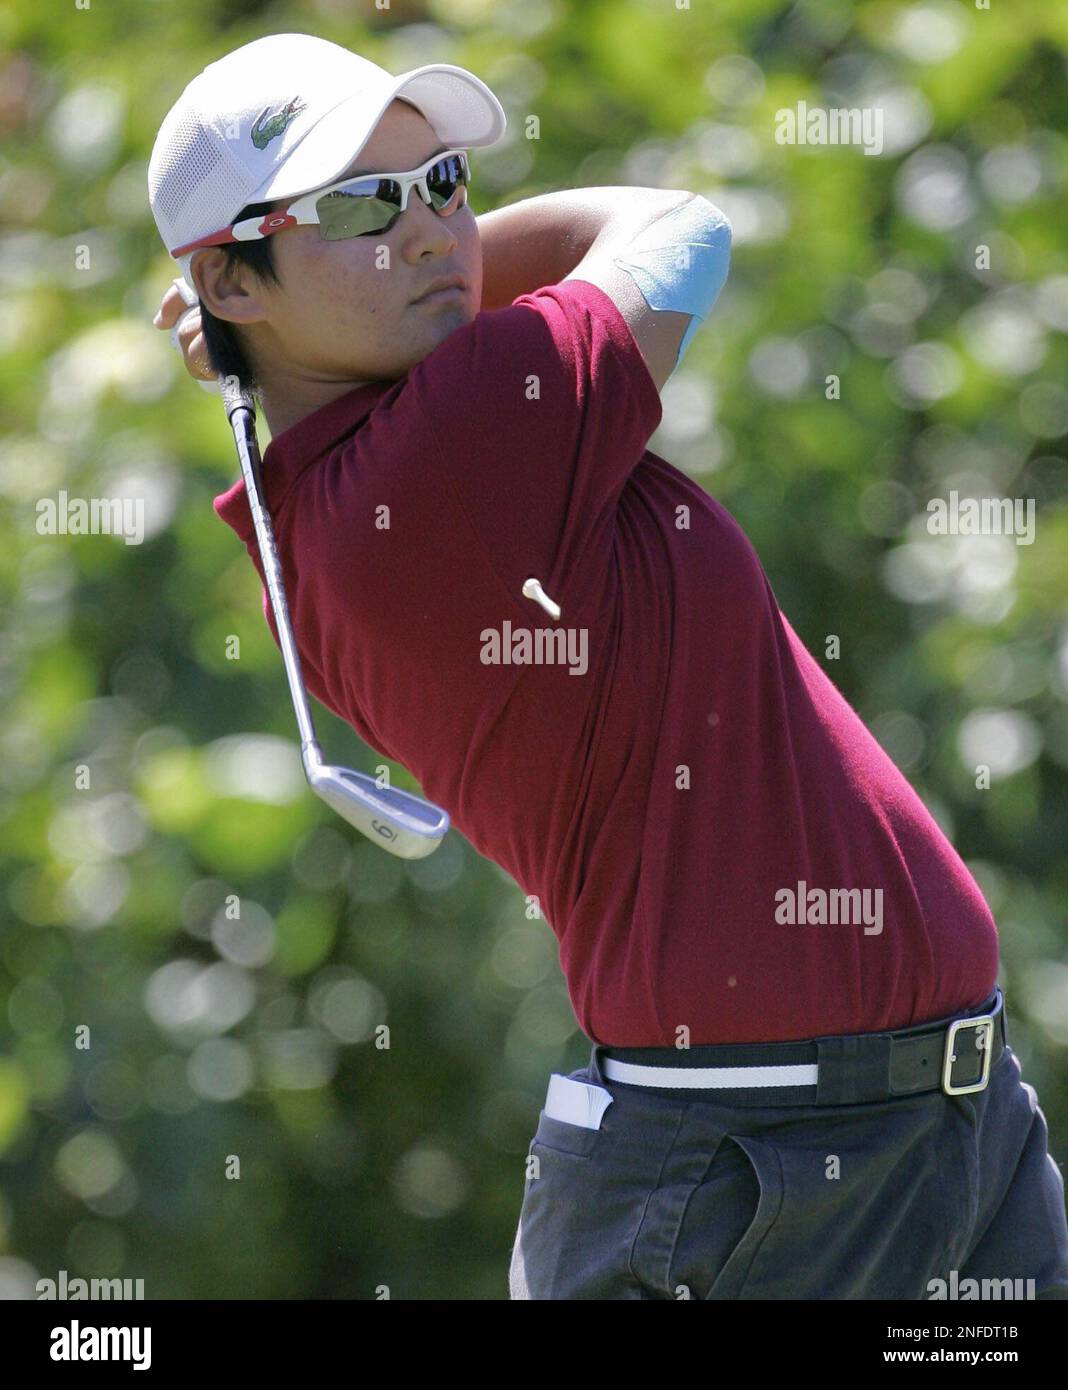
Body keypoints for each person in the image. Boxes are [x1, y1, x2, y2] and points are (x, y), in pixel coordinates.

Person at [149, 32, 1068, 1300]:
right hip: (771, 1167)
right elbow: (680, 230)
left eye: (444, 185)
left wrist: (288, 305)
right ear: (231, 278)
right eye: (361, 206)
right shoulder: (446, 446)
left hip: (903, 1136)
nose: (429, 234)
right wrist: (383, 288)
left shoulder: (345, 480)